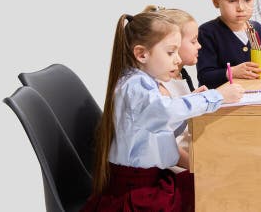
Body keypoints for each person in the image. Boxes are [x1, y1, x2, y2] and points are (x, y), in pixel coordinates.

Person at [83, 11, 243, 211]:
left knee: (217, 181)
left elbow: (161, 125)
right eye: (170, 52)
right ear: (141, 54)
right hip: (139, 195)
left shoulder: (141, 82)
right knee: (218, 190)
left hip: (150, 181)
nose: (177, 60)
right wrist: (216, 96)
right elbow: (165, 113)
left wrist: (193, 100)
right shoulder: (135, 86)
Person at [142, 5, 203, 166]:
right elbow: (167, 148)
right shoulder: (157, 88)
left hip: (185, 150)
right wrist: (198, 167)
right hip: (174, 163)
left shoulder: (181, 74)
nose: (199, 46)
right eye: (193, 41)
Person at [197, 0, 261, 87]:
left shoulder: (258, 29)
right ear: (215, 1)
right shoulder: (207, 33)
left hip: (255, 97)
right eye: (231, 0)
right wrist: (232, 72)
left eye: (247, 0)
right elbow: (204, 76)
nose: (241, 7)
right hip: (223, 103)